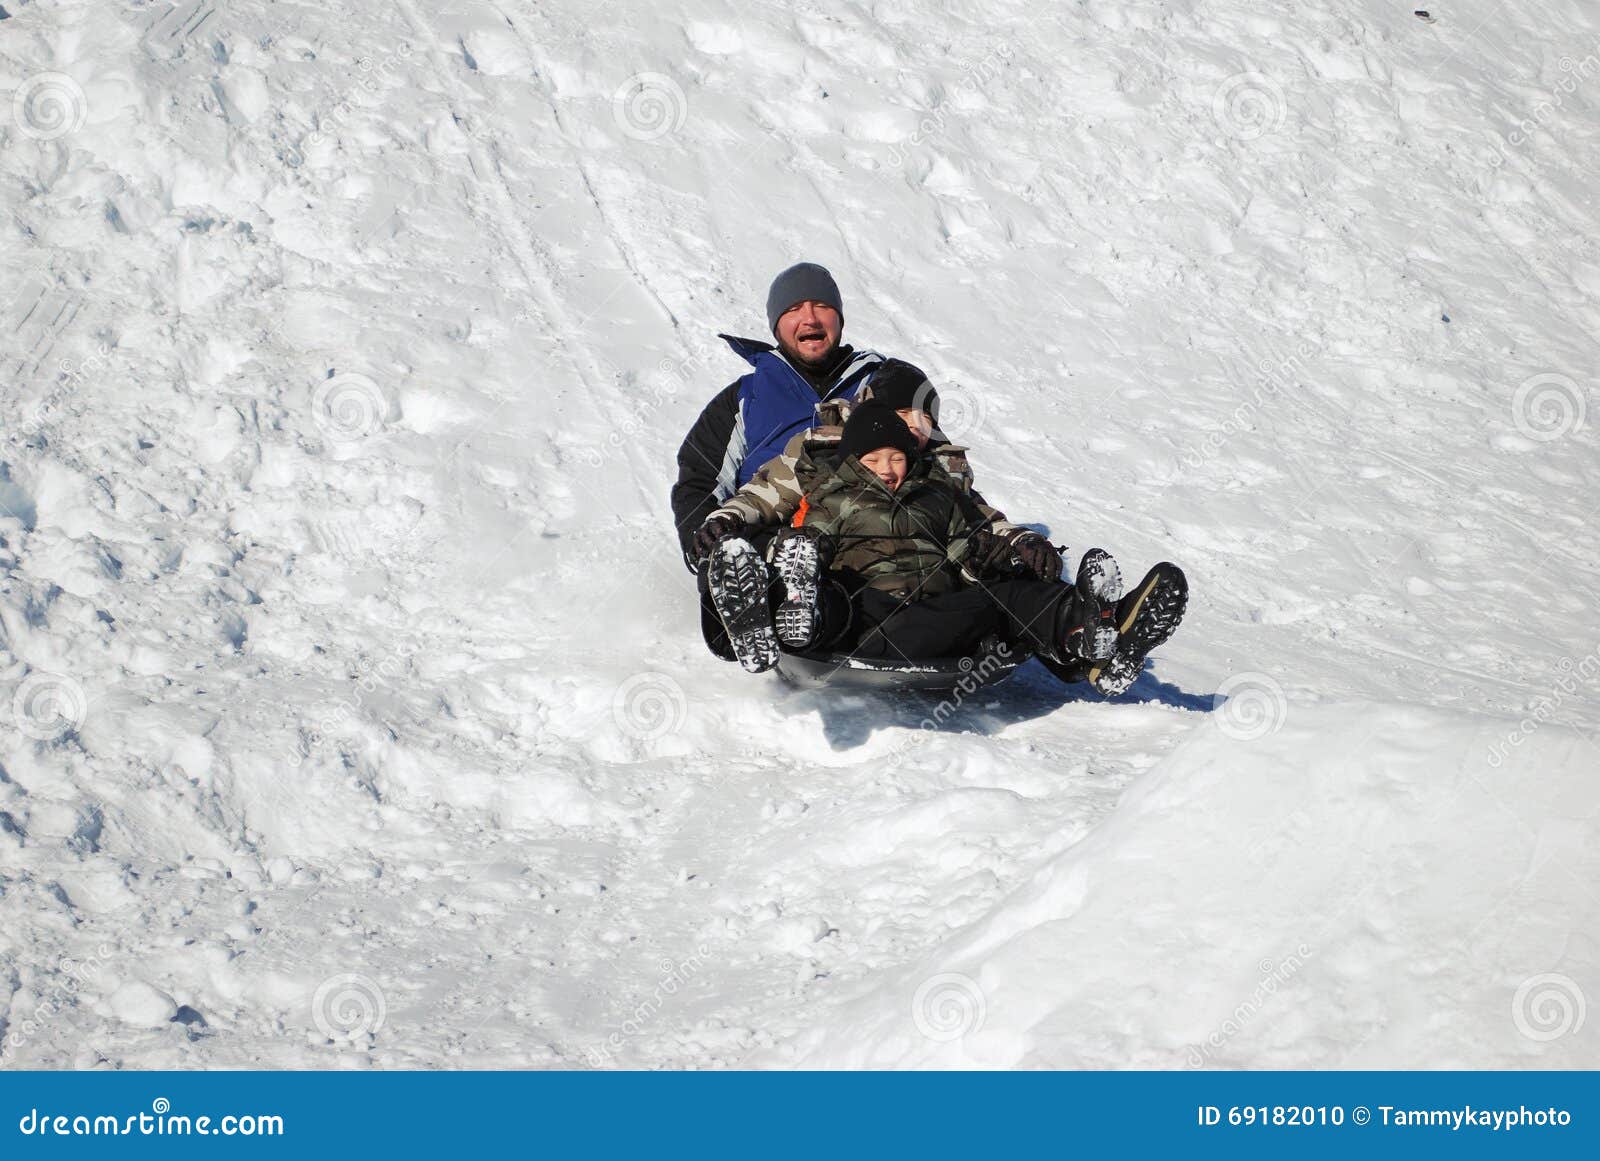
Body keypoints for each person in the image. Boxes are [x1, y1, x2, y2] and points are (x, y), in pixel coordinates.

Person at [696, 401, 1188, 696]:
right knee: (826, 591)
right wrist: (793, 553)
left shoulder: (939, 495)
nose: (888, 468)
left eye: (896, 457)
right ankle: (788, 617)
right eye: (873, 458)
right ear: (851, 459)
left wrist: (1005, 555)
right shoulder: (830, 494)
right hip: (866, 622)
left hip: (934, 616)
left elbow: (972, 543)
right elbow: (799, 533)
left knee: (1011, 597)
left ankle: (1090, 630)